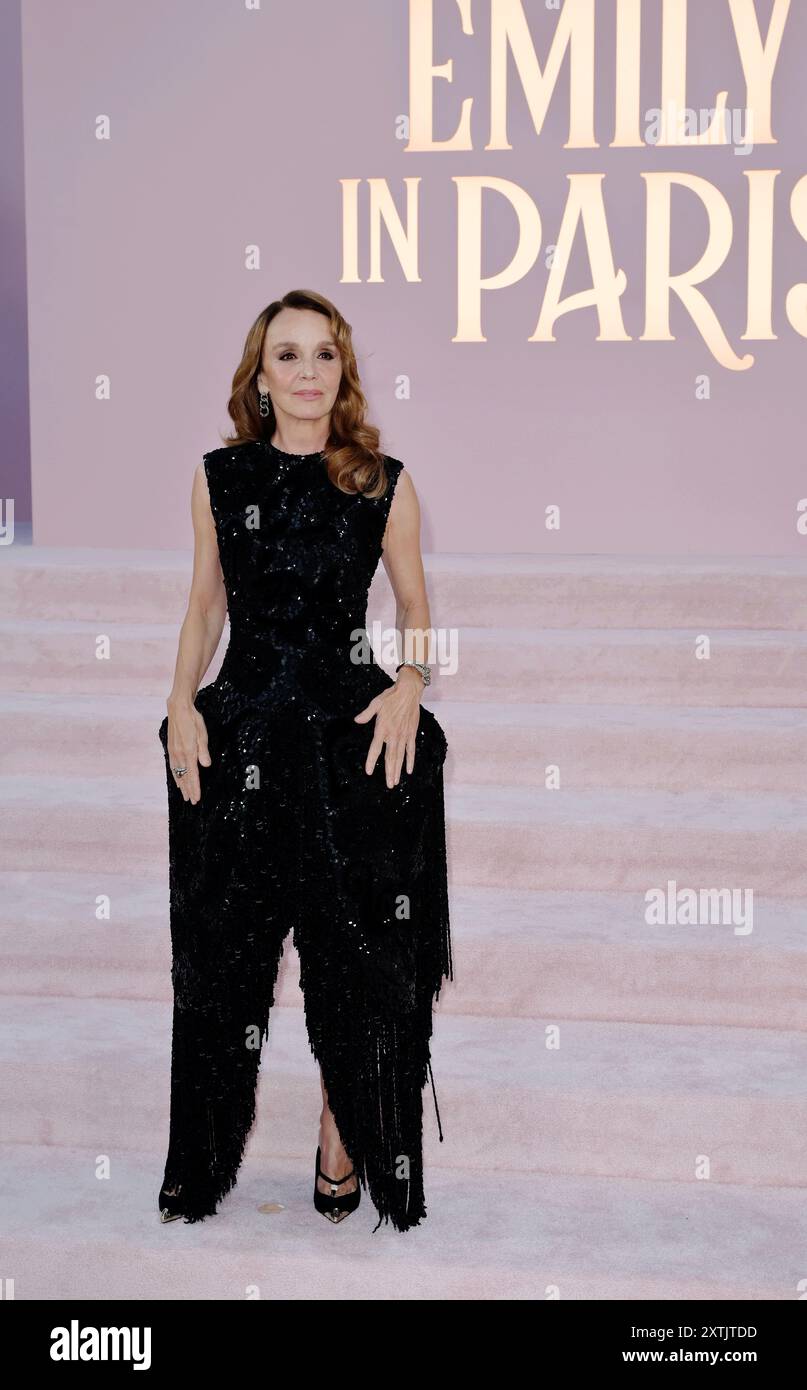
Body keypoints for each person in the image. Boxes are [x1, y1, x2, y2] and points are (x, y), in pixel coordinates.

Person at [156, 289, 452, 1232]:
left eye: (324, 355)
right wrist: (176, 704)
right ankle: (200, 1160)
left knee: (354, 952)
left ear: (343, 372)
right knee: (219, 956)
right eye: (287, 356)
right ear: (260, 375)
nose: (308, 372)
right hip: (242, 724)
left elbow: (413, 606)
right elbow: (206, 607)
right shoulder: (218, 478)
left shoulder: (382, 482)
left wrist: (408, 682)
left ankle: (342, 1126)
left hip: (343, 737)